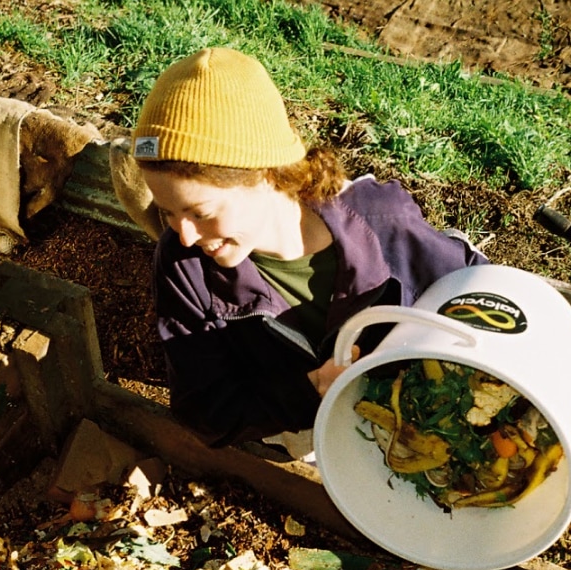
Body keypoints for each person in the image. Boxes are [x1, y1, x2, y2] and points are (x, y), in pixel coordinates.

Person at [131, 47, 489, 450]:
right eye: (167, 213)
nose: (186, 236)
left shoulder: (385, 225)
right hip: (298, 440)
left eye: (201, 212)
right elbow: (204, 410)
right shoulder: (184, 265)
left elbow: (484, 298)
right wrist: (308, 390)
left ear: (265, 175)